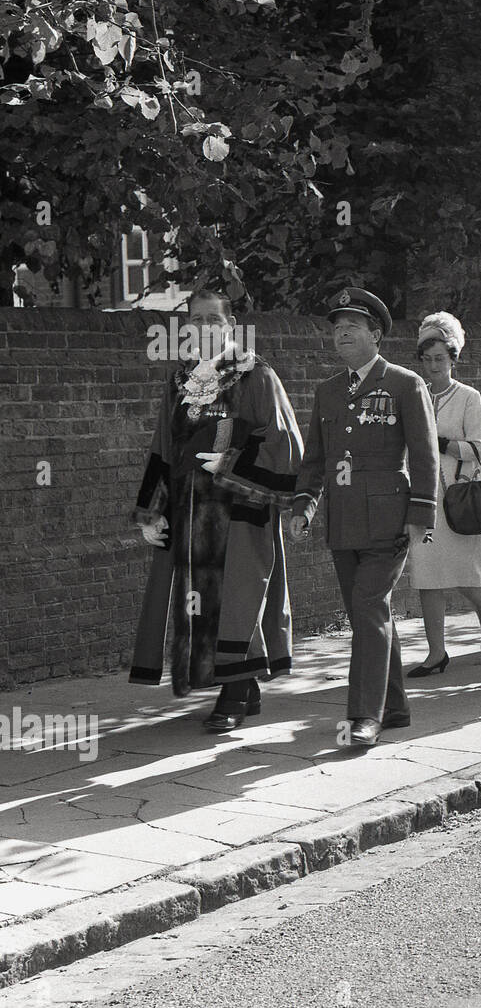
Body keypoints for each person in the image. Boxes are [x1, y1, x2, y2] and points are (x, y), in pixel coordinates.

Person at [131, 289, 303, 732]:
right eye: (196, 320)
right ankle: (245, 687)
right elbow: (164, 447)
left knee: (238, 599)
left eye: (214, 320)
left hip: (241, 509)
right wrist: (153, 512)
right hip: (192, 515)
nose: (205, 327)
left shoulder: (255, 374)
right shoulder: (180, 380)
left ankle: (233, 694)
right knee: (202, 604)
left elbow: (285, 444)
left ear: (230, 326)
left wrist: (230, 462)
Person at [290, 288, 438, 750]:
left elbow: (425, 454)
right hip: (343, 521)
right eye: (337, 328)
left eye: (353, 326)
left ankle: (363, 716)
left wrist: (421, 513)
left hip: (389, 520)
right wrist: (303, 506)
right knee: (366, 614)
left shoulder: (404, 383)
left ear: (376, 334)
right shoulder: (328, 391)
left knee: (370, 609)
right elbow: (315, 459)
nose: (343, 334)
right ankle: (395, 706)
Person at [406, 312, 481, 677]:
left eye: (439, 359)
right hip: (423, 495)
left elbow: (479, 448)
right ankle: (436, 653)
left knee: (465, 575)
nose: (432, 366)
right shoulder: (415, 395)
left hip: (458, 497)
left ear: (453, 359)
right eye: (427, 360)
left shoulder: (468, 397)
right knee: (426, 575)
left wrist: (440, 443)